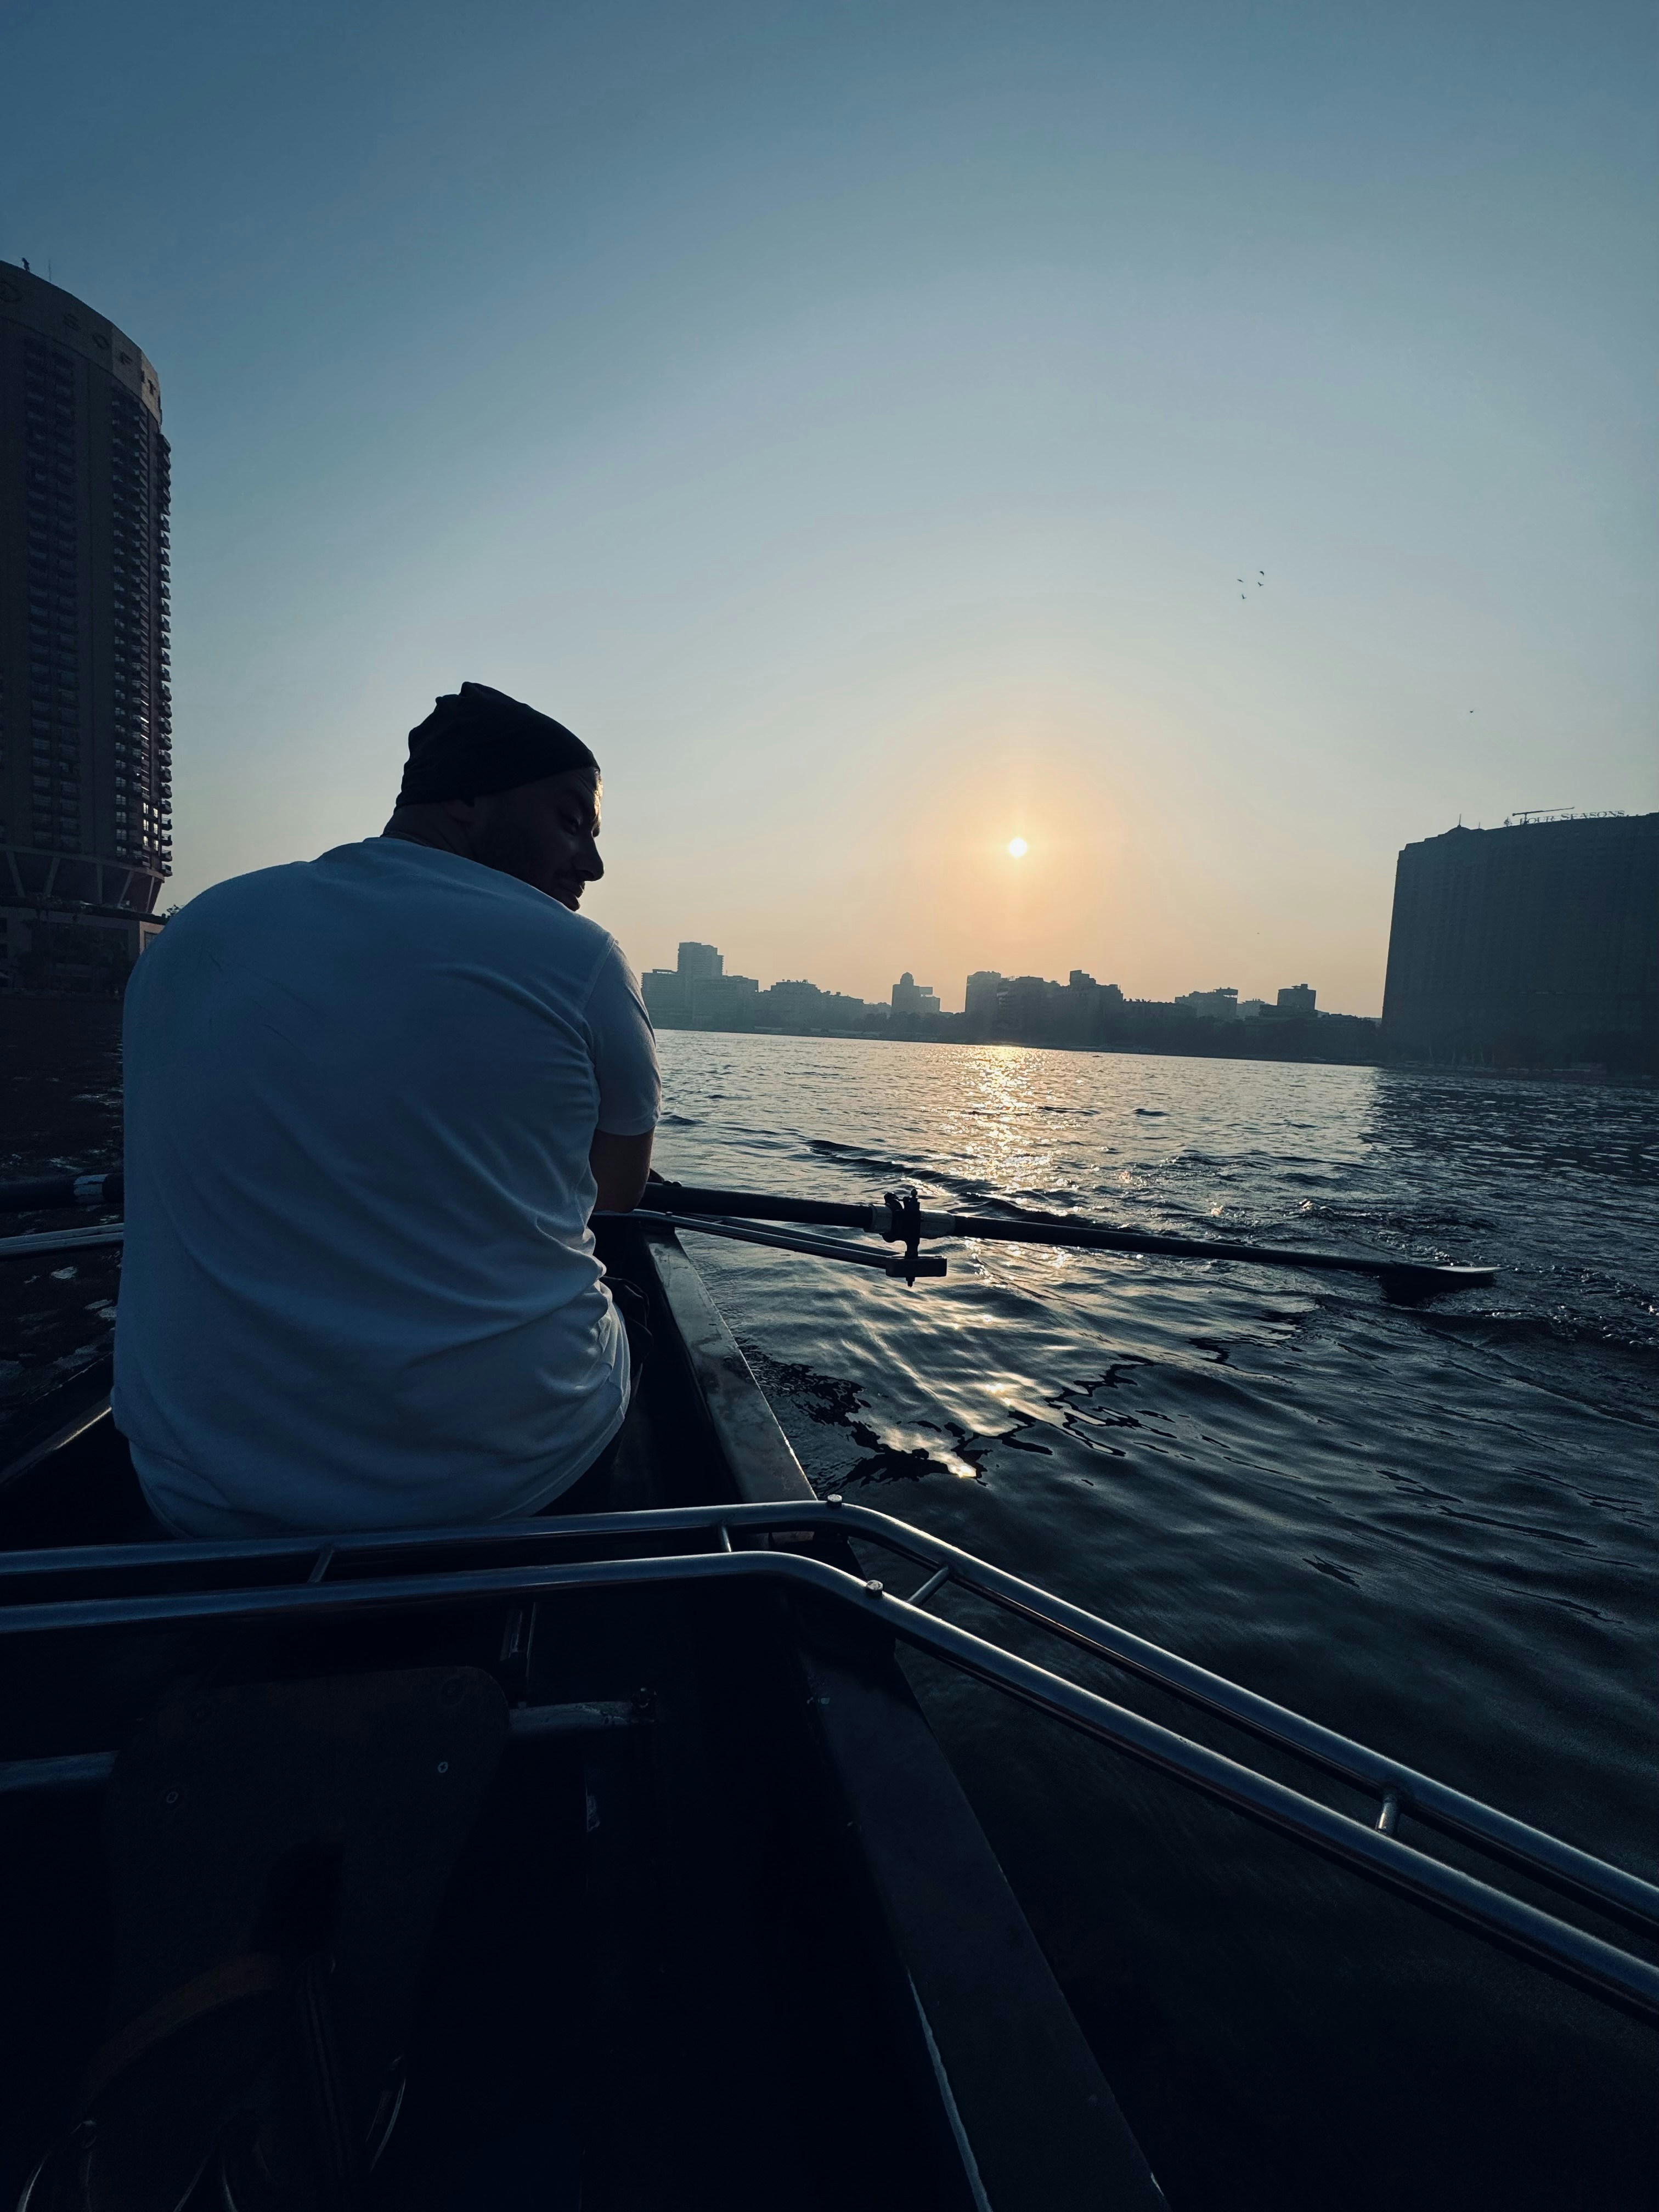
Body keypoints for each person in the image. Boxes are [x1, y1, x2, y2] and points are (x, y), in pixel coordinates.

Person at [112, 682, 659, 1537]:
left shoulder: (197, 929)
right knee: (628, 1313)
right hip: (505, 1480)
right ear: (470, 799)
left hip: (201, 1493)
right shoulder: (579, 958)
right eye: (571, 821)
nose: (590, 864)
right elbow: (613, 1196)